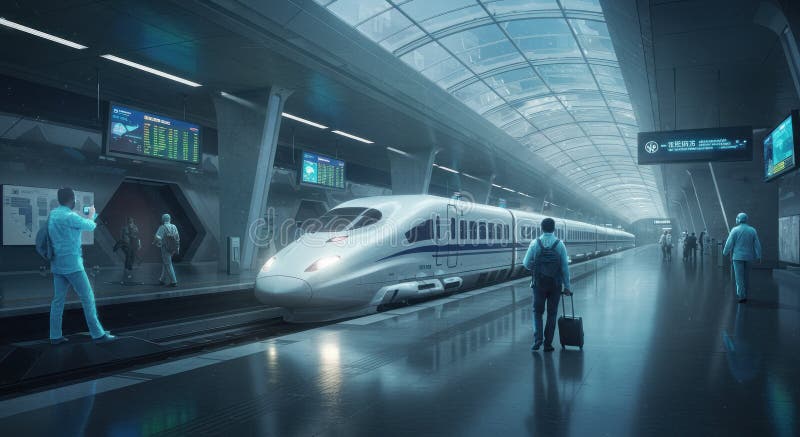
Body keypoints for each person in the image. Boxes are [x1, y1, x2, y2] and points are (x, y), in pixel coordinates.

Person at [48, 187, 115, 344]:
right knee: (88, 297)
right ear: (72, 199)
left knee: (58, 301)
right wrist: (91, 215)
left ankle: (55, 335)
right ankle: (98, 334)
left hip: (57, 265)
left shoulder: (53, 214)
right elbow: (91, 226)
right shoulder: (70, 216)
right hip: (73, 265)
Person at [523, 218, 571, 352]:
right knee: (552, 313)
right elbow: (564, 268)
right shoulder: (560, 244)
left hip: (538, 284)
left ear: (541, 228)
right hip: (555, 285)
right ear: (554, 228)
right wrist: (567, 286)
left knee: (537, 312)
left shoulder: (535, 243)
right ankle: (548, 344)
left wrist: (536, 267)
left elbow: (526, 264)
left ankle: (538, 339)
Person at [723, 213, 762, 303]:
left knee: (739, 277)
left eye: (737, 218)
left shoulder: (735, 230)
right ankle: (746, 294)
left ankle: (742, 296)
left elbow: (729, 243)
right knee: (746, 277)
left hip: (737, 257)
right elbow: (757, 244)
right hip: (749, 257)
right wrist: (759, 255)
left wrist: (725, 252)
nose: (736, 219)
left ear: (739, 219)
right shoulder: (752, 230)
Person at [154, 213, 180, 287]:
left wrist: (157, 242)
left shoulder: (162, 227)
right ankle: (162, 279)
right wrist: (177, 248)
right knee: (166, 263)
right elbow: (177, 238)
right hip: (173, 248)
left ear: (163, 219)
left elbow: (158, 237)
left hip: (165, 248)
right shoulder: (174, 226)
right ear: (169, 219)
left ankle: (174, 281)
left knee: (168, 264)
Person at [114, 217, 140, 282]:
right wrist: (121, 244)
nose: (130, 221)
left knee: (132, 256)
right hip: (126, 244)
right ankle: (126, 268)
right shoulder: (124, 228)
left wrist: (139, 244)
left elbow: (137, 236)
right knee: (128, 255)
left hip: (133, 244)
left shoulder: (135, 227)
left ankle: (129, 267)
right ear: (128, 221)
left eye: (131, 220)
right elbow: (121, 237)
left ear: (133, 221)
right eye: (129, 220)